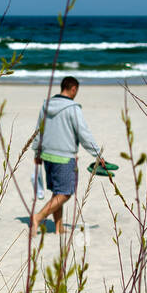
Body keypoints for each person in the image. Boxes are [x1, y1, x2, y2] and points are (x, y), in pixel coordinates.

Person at [31, 76, 105, 236]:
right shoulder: (73, 108)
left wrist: (36, 151)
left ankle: (59, 228)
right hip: (64, 157)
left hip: (47, 154)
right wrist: (97, 154)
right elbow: (84, 134)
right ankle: (38, 217)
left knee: (57, 191)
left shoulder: (46, 105)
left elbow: (39, 129)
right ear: (73, 89)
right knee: (65, 193)